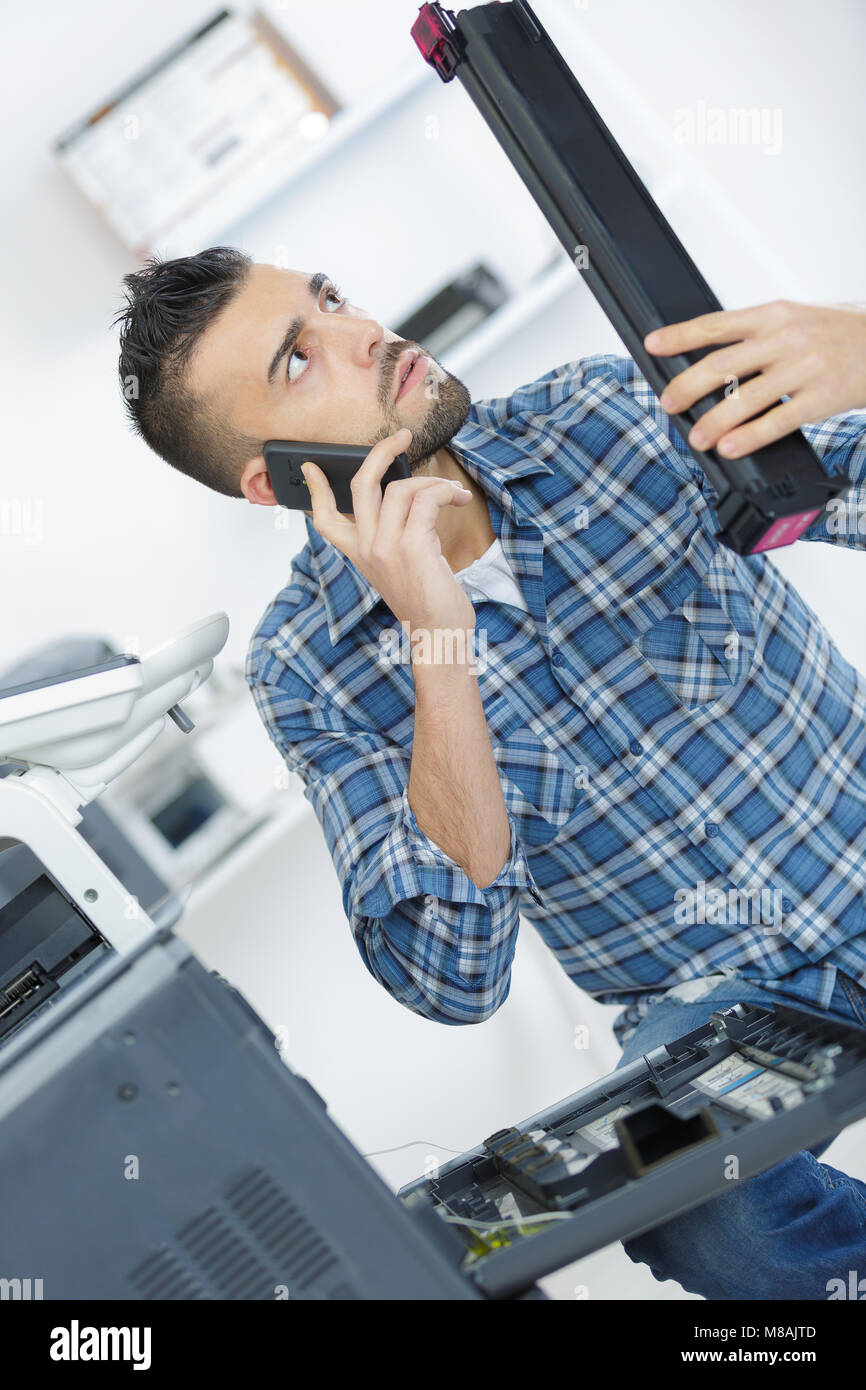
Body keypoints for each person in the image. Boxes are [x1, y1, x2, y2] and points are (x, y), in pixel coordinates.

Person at [114, 249, 866, 1298]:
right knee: (698, 1207)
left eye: (327, 299)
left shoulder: (603, 415)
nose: (362, 331)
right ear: (268, 479)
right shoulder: (308, 668)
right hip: (708, 999)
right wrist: (435, 637)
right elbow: (452, 975)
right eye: (298, 359)